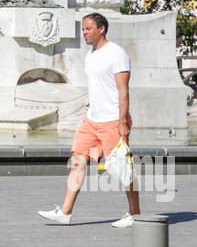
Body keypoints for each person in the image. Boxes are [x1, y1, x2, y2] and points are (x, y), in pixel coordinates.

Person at [38, 13, 140, 227]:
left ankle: (135, 214)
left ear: (101, 29)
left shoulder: (117, 54)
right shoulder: (90, 55)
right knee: (77, 159)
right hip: (91, 120)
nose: (84, 32)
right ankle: (65, 212)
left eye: (88, 28)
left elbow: (123, 91)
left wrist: (122, 121)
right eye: (83, 29)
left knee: (122, 169)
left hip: (112, 121)